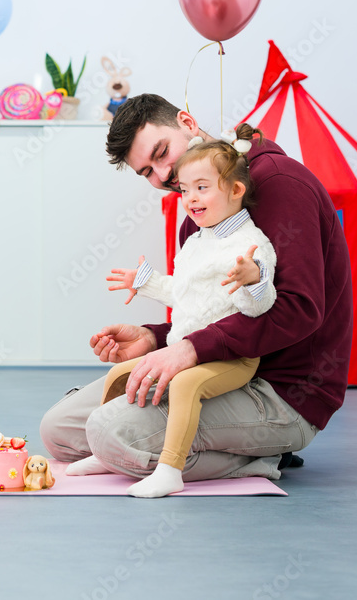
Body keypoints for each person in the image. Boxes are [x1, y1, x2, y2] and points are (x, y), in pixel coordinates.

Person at [39, 93, 352, 485]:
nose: (163, 174)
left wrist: (188, 349)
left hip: (282, 393)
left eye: (161, 152)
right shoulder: (196, 217)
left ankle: (260, 457)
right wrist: (153, 340)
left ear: (187, 123)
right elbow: (208, 311)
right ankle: (165, 450)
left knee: (109, 433)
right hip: (212, 368)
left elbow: (299, 309)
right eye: (147, 172)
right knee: (59, 431)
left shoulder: (280, 183)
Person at [100, 128, 277, 497]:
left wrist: (253, 280)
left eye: (202, 188)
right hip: (189, 347)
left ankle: (170, 468)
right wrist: (145, 281)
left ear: (235, 190)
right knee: (119, 373)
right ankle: (102, 454)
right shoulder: (197, 240)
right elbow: (184, 293)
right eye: (184, 190)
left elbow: (259, 307)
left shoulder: (251, 245)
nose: (190, 198)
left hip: (233, 357)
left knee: (185, 384)